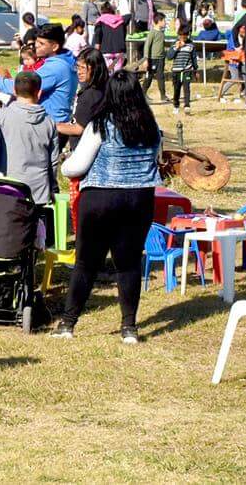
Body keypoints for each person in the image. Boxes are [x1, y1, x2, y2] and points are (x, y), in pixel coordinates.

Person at [54, 69, 161, 342]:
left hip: (101, 197)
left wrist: (64, 164)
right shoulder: (150, 126)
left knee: (86, 263)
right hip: (139, 198)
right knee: (128, 264)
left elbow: (77, 166)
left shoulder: (100, 124)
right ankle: (129, 327)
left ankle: (67, 323)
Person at [0, 67, 58, 205]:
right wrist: (52, 187)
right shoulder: (49, 121)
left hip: (6, 188)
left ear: (14, 91)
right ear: (39, 93)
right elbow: (53, 161)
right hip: (39, 192)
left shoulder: (1, 116)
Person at [22, 23, 75, 126]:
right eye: (37, 41)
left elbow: (23, 86)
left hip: (52, 125)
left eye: (41, 43)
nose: (36, 45)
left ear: (54, 46)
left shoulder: (55, 68)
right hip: (56, 121)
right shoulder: (63, 61)